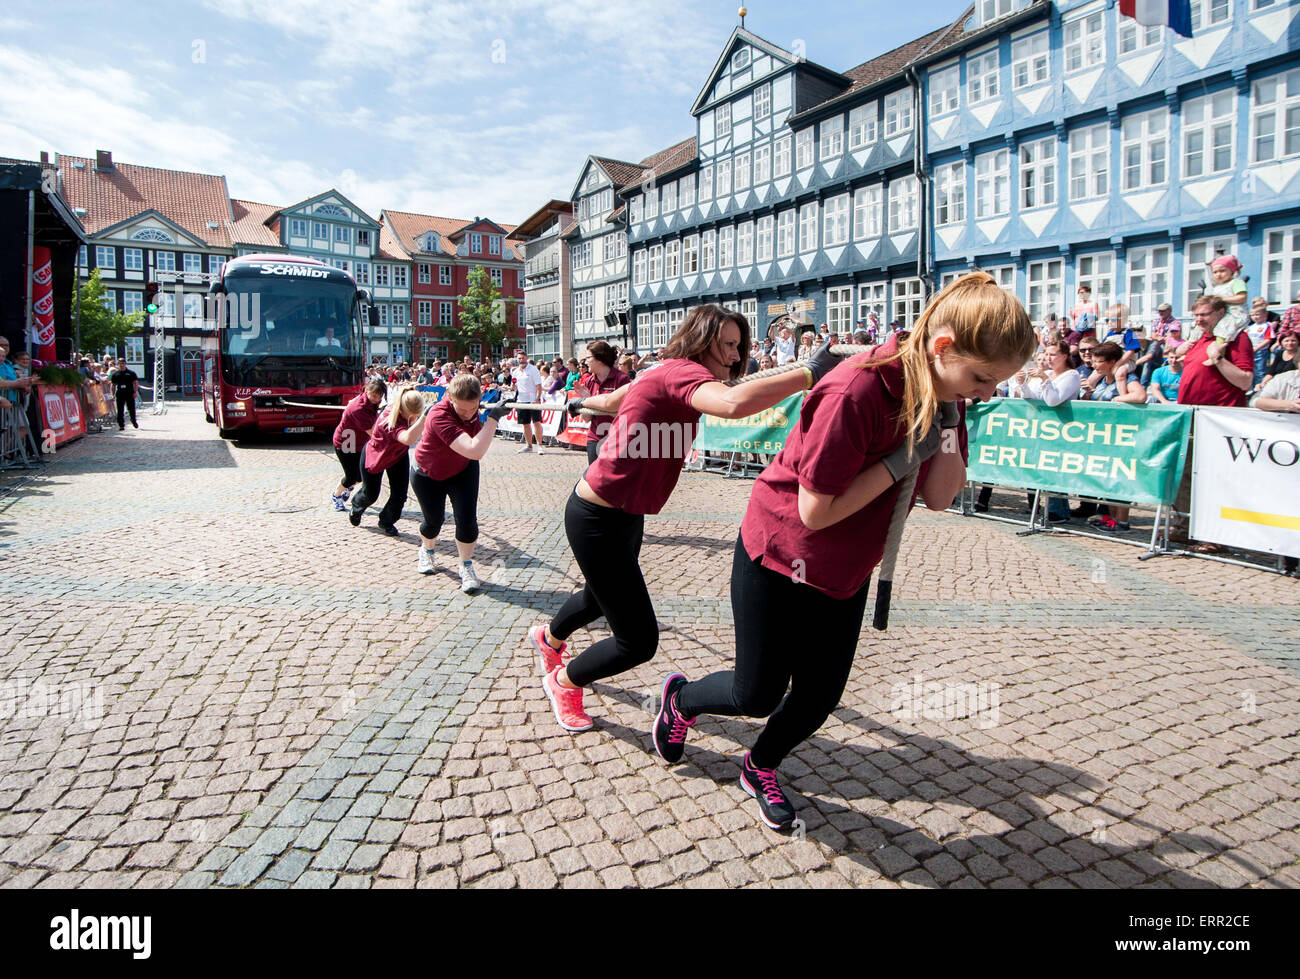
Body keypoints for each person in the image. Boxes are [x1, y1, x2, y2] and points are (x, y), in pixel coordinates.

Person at [649, 273, 1035, 830]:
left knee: (817, 697)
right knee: (754, 693)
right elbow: (816, 511)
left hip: (846, 569)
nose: (985, 393)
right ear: (943, 347)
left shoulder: (949, 393)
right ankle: (682, 700)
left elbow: (940, 497)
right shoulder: (858, 390)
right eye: (981, 379)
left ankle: (760, 764)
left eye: (994, 385)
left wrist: (950, 422)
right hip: (782, 553)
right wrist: (901, 459)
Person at [529, 305, 843, 733]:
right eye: (728, 345)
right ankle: (563, 680)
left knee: (598, 595)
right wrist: (808, 373)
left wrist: (584, 403)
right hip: (596, 518)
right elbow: (732, 404)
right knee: (637, 642)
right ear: (702, 339)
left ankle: (548, 639)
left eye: (739, 346)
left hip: (623, 515)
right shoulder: (679, 373)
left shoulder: (663, 372)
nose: (735, 357)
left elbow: (618, 398)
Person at [410, 373, 511, 592]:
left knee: (466, 521)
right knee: (433, 522)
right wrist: (493, 419)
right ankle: (427, 550)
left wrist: (487, 412)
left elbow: (472, 454)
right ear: (449, 397)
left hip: (462, 469)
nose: (467, 415)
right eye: (461, 409)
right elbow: (475, 450)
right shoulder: (439, 415)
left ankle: (465, 565)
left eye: (473, 409)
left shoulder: (475, 407)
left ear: (479, 399)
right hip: (428, 473)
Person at [1008, 339, 1082, 524]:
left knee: (1055, 467)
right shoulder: (1047, 373)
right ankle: (1049, 509)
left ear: (1064, 356)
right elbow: (1031, 397)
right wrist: (1022, 383)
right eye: (1047, 354)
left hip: (1061, 428)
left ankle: (1059, 511)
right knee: (1044, 467)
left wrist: (1044, 379)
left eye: (1053, 355)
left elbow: (1053, 400)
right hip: (1042, 428)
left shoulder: (1071, 376)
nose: (1048, 358)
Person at [1080, 341, 1146, 533]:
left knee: (1120, 479)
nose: (1094, 365)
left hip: (1120, 437)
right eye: (1093, 361)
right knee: (1107, 479)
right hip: (1102, 437)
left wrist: (1116, 399)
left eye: (1099, 361)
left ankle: (1122, 521)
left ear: (1112, 362)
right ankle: (1111, 519)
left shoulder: (1127, 377)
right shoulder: (1102, 380)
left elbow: (1140, 396)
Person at [349, 387, 423, 536]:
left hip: (398, 455)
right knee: (371, 493)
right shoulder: (391, 420)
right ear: (403, 410)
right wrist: (424, 418)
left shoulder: (403, 408)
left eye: (418, 414)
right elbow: (408, 438)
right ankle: (356, 506)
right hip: (377, 455)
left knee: (400, 494)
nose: (415, 418)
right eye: (413, 415)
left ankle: (386, 521)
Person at [567, 341, 629, 464]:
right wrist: (587, 399)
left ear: (599, 359)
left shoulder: (622, 379)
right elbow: (586, 418)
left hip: (616, 438)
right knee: (593, 478)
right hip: (594, 437)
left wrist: (593, 402)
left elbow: (622, 413)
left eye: (588, 358)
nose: (585, 362)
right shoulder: (589, 381)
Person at [331, 377, 386, 510]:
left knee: (361, 476)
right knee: (351, 477)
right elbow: (374, 433)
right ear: (367, 390)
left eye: (379, 396)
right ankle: (337, 495)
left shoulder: (372, 403)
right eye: (373, 395)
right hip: (346, 443)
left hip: (360, 442)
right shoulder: (358, 408)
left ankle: (347, 488)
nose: (376, 399)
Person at [1202, 255, 1249, 351]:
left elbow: (1242, 297)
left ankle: (1218, 353)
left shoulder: (1236, 282)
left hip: (1234, 313)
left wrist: (1223, 299)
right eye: (1215, 272)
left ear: (1231, 271)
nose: (1218, 274)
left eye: (1222, 271)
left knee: (1222, 330)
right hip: (1221, 313)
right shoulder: (1217, 287)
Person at [511, 351, 545, 454]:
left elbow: (539, 386)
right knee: (525, 424)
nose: (521, 360)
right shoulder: (515, 371)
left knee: (536, 422)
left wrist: (537, 399)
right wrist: (512, 386)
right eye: (519, 358)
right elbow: (515, 386)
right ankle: (528, 445)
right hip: (521, 400)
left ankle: (540, 445)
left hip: (533, 400)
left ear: (526, 358)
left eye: (522, 358)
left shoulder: (533, 370)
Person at [1246, 298, 1276, 387]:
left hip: (1260, 351)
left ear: (1264, 314)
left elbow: (1268, 339)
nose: (1255, 317)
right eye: (1252, 315)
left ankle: (1259, 387)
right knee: (1250, 370)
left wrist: (1257, 348)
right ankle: (1250, 387)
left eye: (1257, 314)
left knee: (1260, 370)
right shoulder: (1250, 327)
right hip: (1250, 351)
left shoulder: (1267, 325)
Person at [109, 359, 140, 430]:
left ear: (125, 364)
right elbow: (113, 385)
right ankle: (121, 425)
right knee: (120, 410)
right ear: (118, 364)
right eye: (120, 363)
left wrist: (135, 392)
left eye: (123, 363)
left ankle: (133, 420)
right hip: (120, 393)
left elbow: (135, 383)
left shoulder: (131, 373)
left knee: (131, 409)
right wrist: (112, 394)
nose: (121, 365)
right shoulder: (116, 374)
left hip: (129, 393)